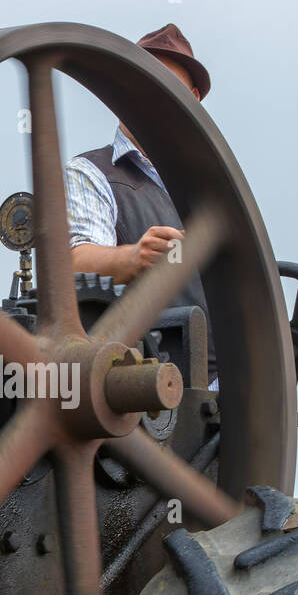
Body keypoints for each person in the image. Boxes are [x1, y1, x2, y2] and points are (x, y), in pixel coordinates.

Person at [63, 23, 216, 380]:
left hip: (225, 393)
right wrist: (133, 257)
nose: (155, 96)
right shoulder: (90, 172)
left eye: (169, 87)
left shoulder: (212, 190)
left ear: (192, 99)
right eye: (144, 82)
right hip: (137, 389)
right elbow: (73, 263)